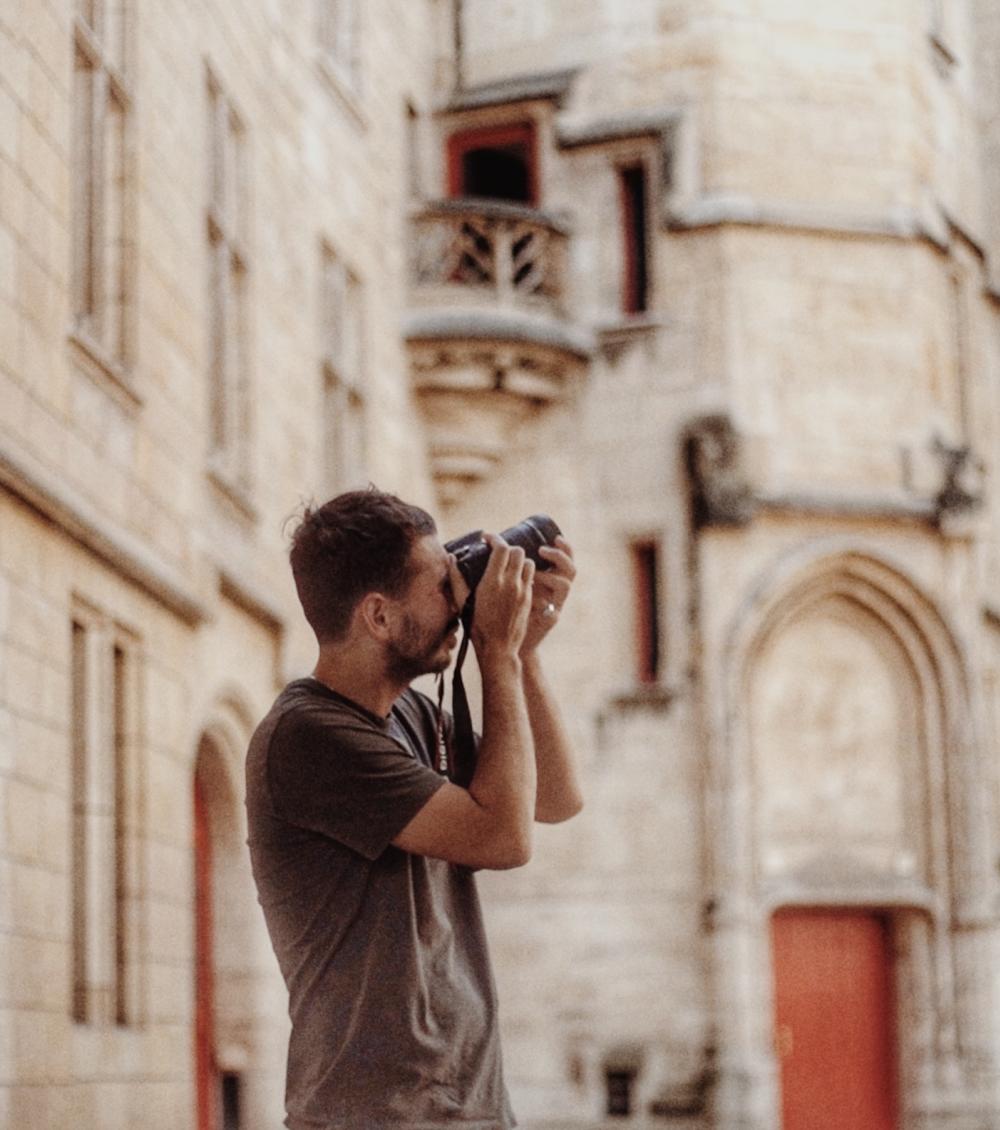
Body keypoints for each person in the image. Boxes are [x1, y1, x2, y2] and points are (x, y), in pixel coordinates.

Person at [245, 487, 583, 1130]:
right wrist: (497, 653)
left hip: (466, 1105)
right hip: (375, 1116)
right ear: (378, 616)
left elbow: (556, 798)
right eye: (439, 585)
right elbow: (504, 840)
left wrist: (526, 650)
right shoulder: (308, 736)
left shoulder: (412, 713)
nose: (458, 602)